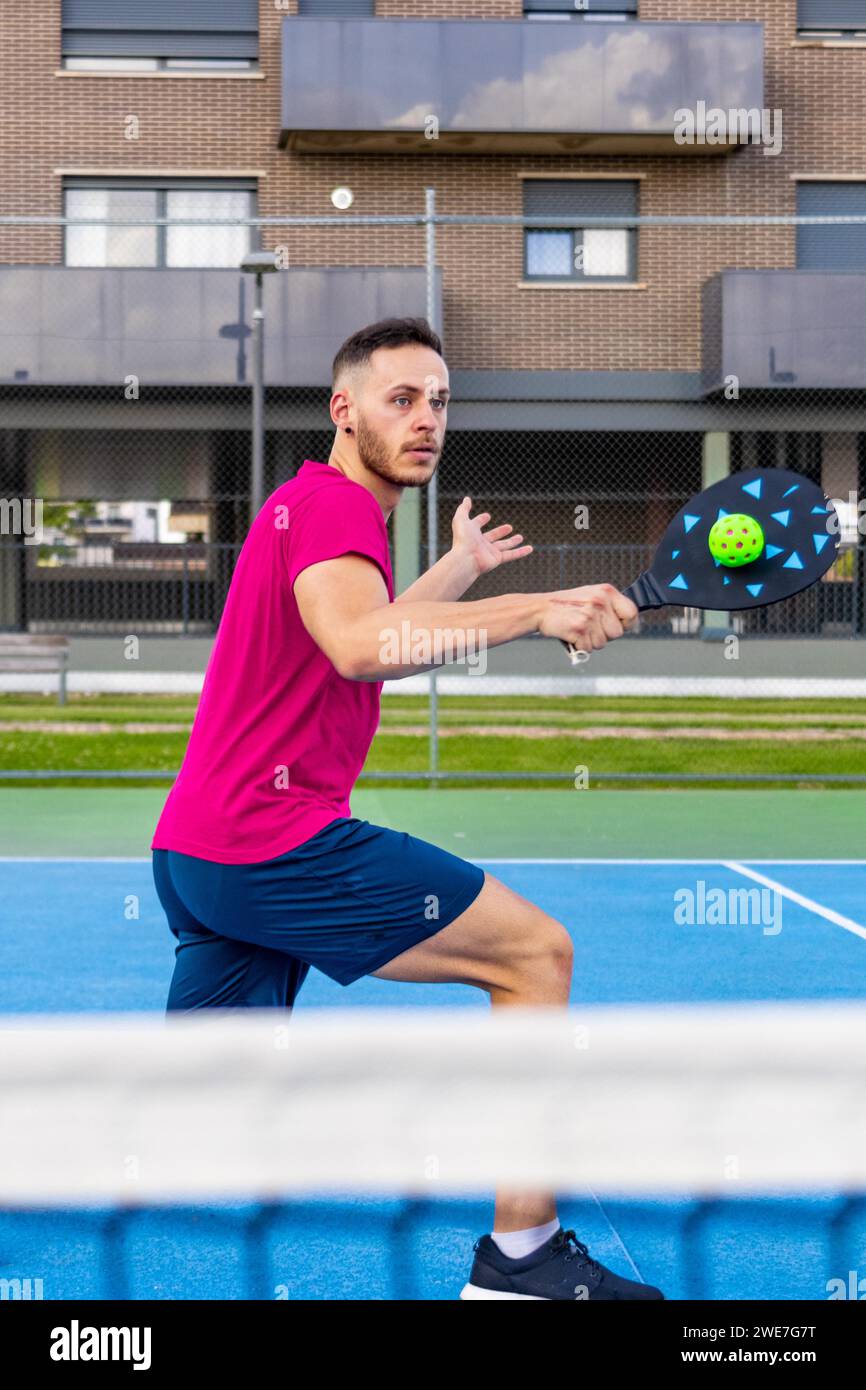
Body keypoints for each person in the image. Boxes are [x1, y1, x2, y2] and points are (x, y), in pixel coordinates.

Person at [151, 315, 663, 1301]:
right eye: (401, 399)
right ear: (342, 410)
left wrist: (461, 568)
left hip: (197, 854)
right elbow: (360, 646)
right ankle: (521, 1265)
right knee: (535, 955)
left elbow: (371, 630)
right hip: (273, 843)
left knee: (189, 1116)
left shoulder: (309, 509)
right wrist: (534, 608)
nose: (427, 418)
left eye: (439, 401)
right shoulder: (336, 506)